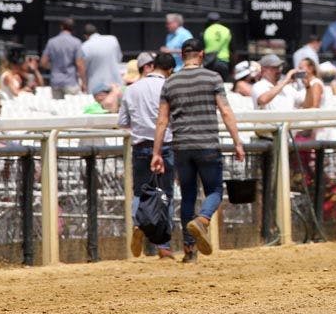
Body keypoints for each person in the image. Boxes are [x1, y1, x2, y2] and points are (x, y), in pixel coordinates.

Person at [151, 38, 246, 263]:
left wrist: (156, 152)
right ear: (201, 54)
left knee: (188, 196)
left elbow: (162, 121)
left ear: (182, 55)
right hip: (207, 144)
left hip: (181, 146)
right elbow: (225, 111)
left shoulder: (170, 82)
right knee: (214, 191)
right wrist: (237, 142)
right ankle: (202, 220)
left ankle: (189, 251)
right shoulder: (213, 78)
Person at [120, 51, 176, 259]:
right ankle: (164, 246)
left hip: (140, 146)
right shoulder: (168, 87)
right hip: (166, 146)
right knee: (165, 195)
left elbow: (123, 122)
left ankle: (137, 224)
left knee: (140, 192)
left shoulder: (131, 90)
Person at [41, 18, 83, 98]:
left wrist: (53, 66)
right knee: (71, 108)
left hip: (56, 81)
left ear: (61, 27)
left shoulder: (52, 42)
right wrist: (84, 82)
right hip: (71, 81)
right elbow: (79, 64)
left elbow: (43, 63)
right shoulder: (77, 42)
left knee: (58, 108)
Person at [80, 24, 124, 99]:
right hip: (115, 83)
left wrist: (84, 84)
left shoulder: (85, 46)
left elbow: (83, 68)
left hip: (96, 87)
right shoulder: (113, 39)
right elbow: (119, 58)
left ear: (86, 36)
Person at [202, 12, 232, 79]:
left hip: (209, 61)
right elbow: (232, 48)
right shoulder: (226, 30)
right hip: (223, 61)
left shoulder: (206, 31)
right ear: (219, 20)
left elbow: (202, 47)